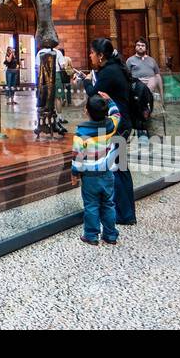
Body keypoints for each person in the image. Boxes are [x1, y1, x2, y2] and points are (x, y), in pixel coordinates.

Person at [75, 37, 135, 224]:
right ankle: (125, 213)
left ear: (101, 56)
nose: (90, 56)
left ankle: (123, 214)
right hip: (122, 123)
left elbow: (95, 95)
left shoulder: (109, 72)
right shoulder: (114, 69)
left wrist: (85, 82)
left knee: (117, 169)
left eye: (92, 53)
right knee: (121, 168)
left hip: (116, 126)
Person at [72, 93, 121, 245]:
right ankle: (110, 235)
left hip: (90, 177)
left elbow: (77, 159)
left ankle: (91, 236)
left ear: (86, 111)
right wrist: (110, 99)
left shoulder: (81, 134)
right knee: (108, 204)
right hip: (107, 174)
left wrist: (75, 174)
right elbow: (117, 114)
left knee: (91, 205)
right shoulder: (111, 126)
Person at [126, 39, 162, 138]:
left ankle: (147, 132)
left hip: (150, 90)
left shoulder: (152, 60)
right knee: (138, 113)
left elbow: (157, 76)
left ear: (146, 48)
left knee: (147, 113)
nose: (140, 47)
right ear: (135, 47)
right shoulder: (130, 60)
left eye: (142, 45)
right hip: (137, 91)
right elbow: (127, 77)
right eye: (138, 45)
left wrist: (162, 95)